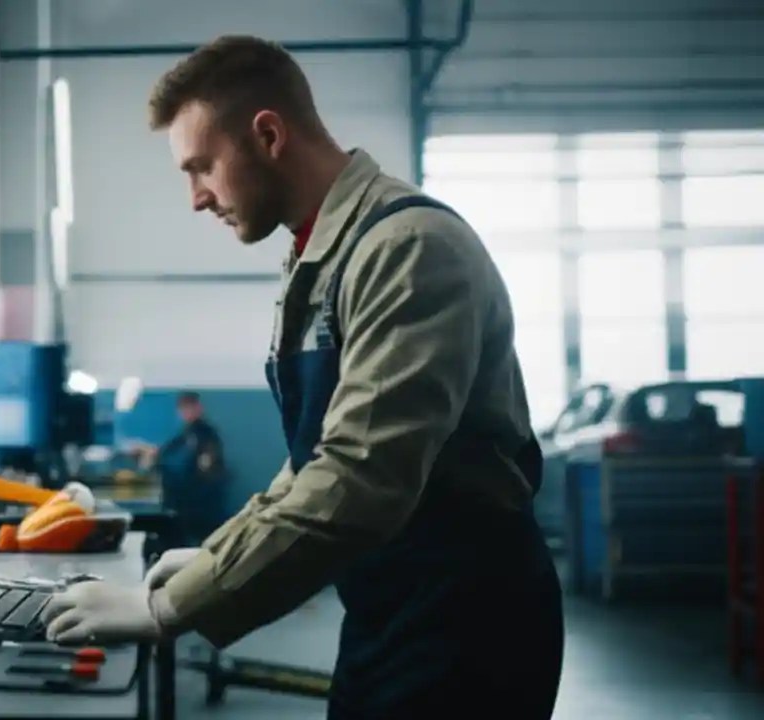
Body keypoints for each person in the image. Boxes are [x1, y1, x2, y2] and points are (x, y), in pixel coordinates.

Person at [40, 35, 564, 719]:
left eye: (201, 167)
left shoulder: (407, 249)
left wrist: (168, 608)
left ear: (267, 134)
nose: (196, 198)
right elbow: (312, 458)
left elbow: (357, 477)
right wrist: (213, 561)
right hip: (391, 606)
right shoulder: (319, 261)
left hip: (466, 624)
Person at [138, 391, 227, 545]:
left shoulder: (206, 435)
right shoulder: (185, 434)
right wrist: (153, 455)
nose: (186, 412)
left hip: (198, 506)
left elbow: (202, 467)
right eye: (183, 408)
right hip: (180, 504)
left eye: (190, 407)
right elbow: (166, 452)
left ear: (199, 408)